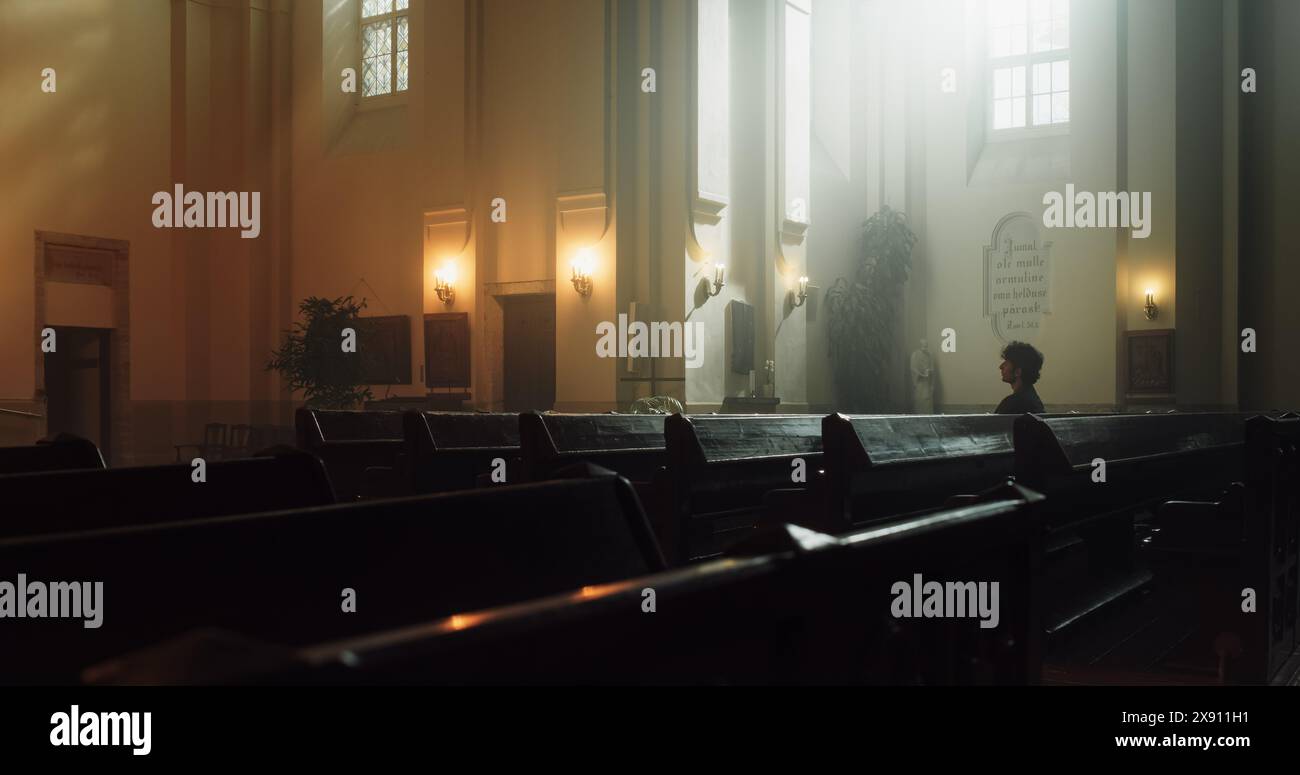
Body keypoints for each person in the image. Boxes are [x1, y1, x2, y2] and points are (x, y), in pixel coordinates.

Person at [995, 341, 1045, 414]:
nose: (1001, 367)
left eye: (1006, 363)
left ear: (1017, 372)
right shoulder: (1035, 401)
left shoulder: (1012, 403)